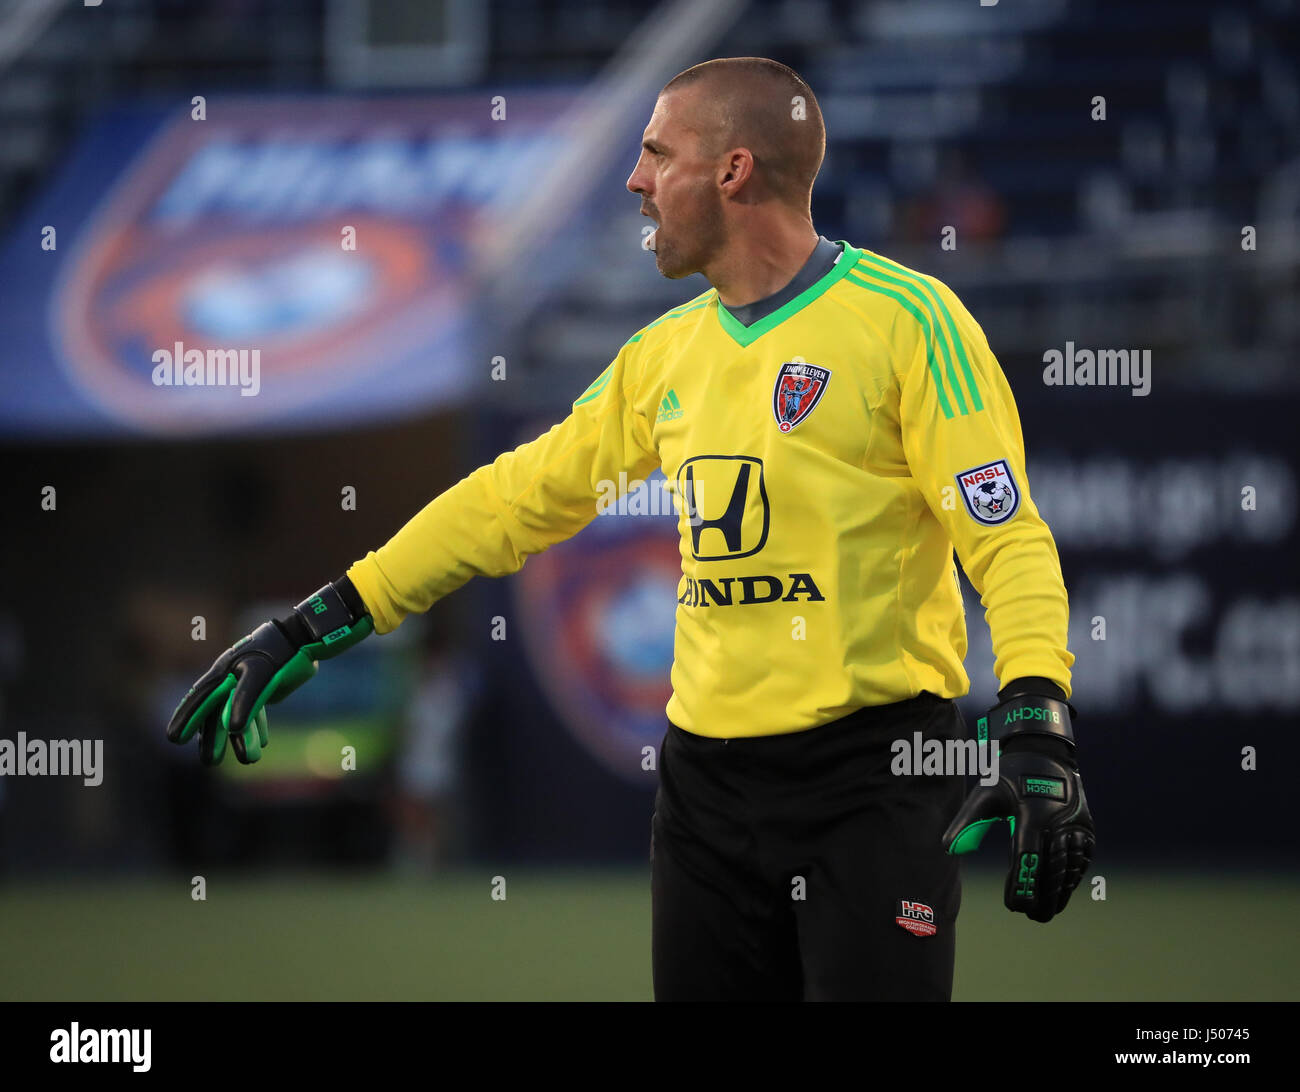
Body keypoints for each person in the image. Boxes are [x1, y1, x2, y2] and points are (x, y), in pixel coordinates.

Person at [167, 57, 1094, 1002]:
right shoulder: (662, 357)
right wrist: (322, 618)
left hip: (876, 781)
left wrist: (1038, 720)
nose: (634, 179)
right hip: (706, 793)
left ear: (732, 172)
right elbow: (511, 500)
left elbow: (1004, 535)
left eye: (656, 152)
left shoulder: (912, 323)